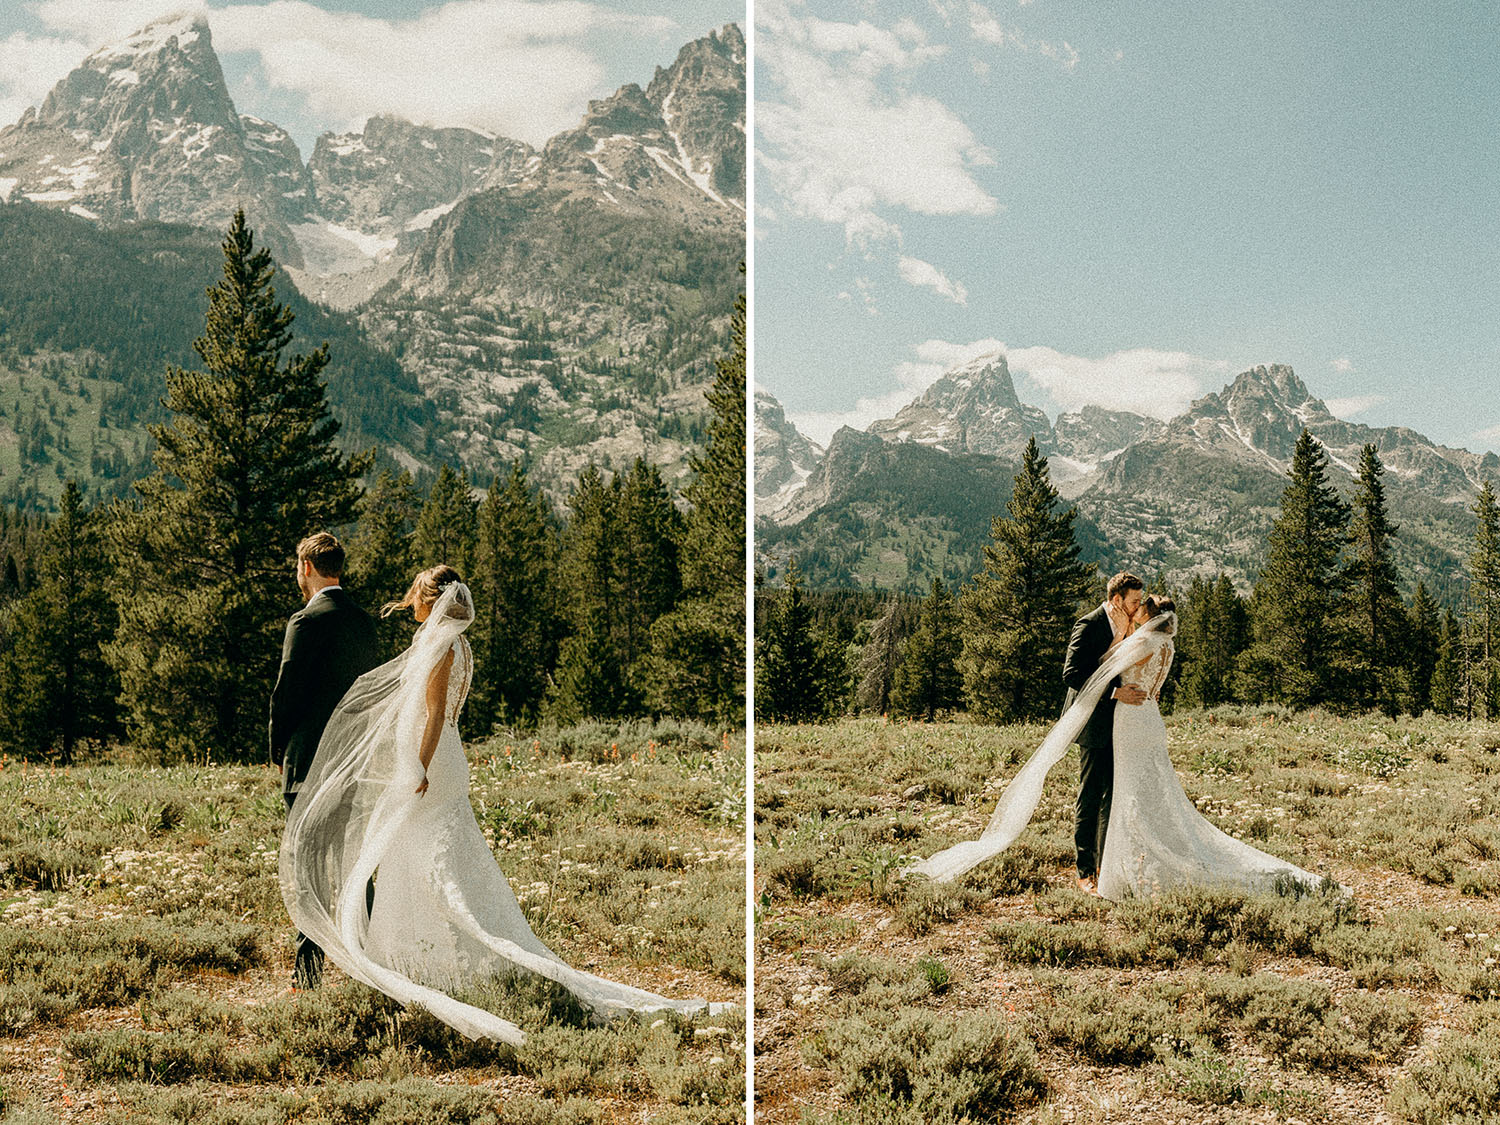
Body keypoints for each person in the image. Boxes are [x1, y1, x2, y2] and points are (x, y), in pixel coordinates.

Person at [279, 565, 725, 1043]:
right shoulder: (460, 646)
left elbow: (432, 716)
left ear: (432, 600)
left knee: (424, 858)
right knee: (428, 856)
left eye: (417, 596)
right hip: (450, 757)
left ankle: (426, 959)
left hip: (432, 762)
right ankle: (424, 956)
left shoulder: (439, 645)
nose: (412, 602)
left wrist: (418, 768)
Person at [904, 596, 1341, 900]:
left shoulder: (1141, 642)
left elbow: (1101, 673)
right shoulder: (1167, 646)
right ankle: (1123, 865)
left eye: (1140, 607)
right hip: (1149, 720)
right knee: (1142, 794)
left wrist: (1117, 667)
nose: (1135, 611)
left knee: (1123, 794)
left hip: (1128, 721)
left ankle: (1114, 873)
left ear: (1148, 616)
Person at [269, 532, 381, 989]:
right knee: (356, 864)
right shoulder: (362, 622)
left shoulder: (306, 622)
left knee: (308, 868)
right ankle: (374, 961)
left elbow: (287, 692)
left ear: (307, 568)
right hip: (354, 758)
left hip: (310, 760)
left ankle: (308, 973)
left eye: (298, 567)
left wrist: (279, 752)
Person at [1062, 572, 1144, 895]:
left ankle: (1105, 864)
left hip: (1120, 723)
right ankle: (1084, 870)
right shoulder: (1089, 625)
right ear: (1116, 600)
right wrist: (1114, 693)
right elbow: (1072, 673)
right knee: (1091, 795)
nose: (1138, 607)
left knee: (1114, 795)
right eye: (1134, 602)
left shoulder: (1128, 626)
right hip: (1094, 721)